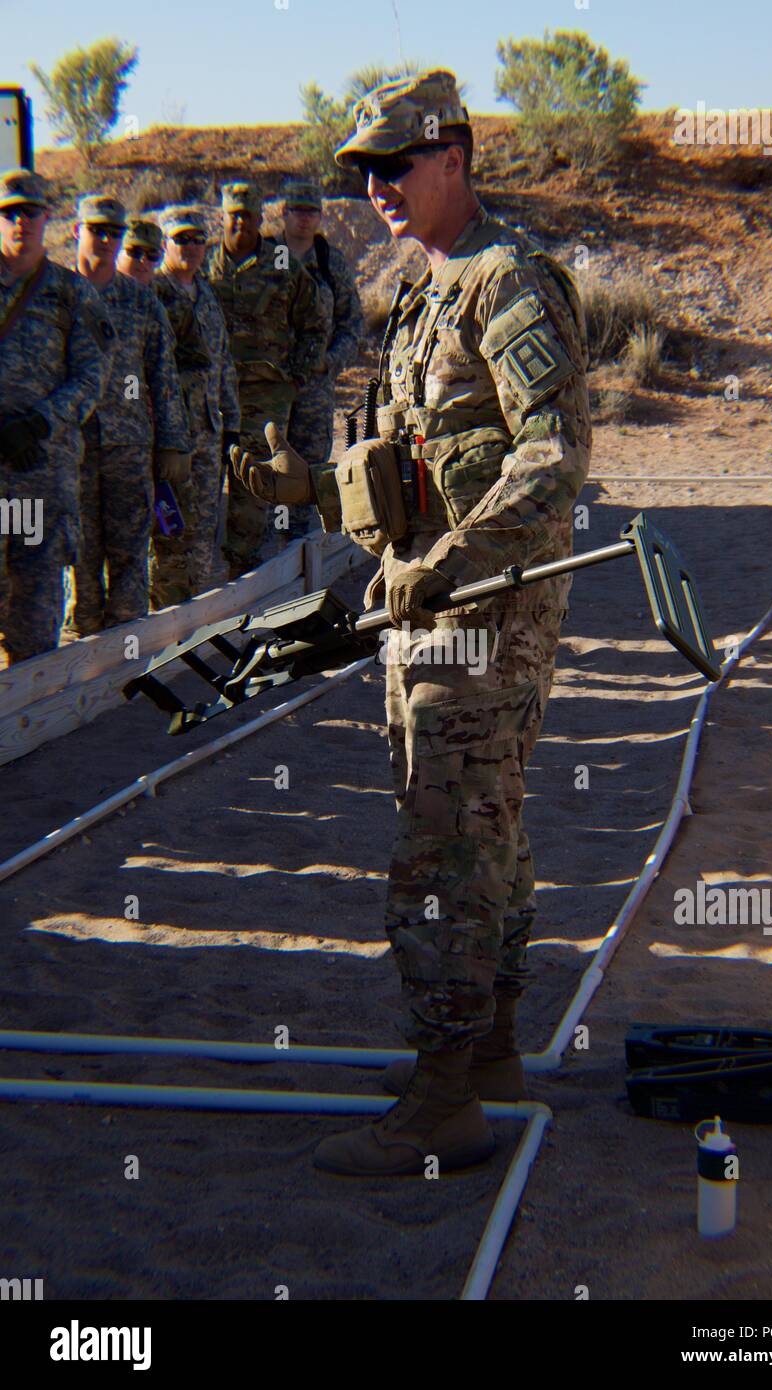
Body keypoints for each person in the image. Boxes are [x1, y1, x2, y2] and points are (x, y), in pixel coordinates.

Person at [232, 71, 592, 1176]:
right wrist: (306, 489)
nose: (376, 188)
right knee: (477, 831)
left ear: (453, 159)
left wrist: (450, 560)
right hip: (424, 608)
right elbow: (412, 463)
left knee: (443, 844)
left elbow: (550, 457)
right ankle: (482, 1057)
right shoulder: (421, 289)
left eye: (394, 166)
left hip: (482, 614)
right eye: (363, 173)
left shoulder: (506, 280)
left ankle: (442, 1100)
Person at [0, 168, 114, 664]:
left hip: (35, 476)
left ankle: (27, 721)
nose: (20, 221)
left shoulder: (71, 293)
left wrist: (41, 422)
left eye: (29, 211)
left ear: (47, 217)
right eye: (10, 213)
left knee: (32, 598)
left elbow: (94, 374)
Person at [68, 194, 190, 634]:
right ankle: (79, 662)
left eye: (112, 232)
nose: (104, 239)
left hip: (129, 449)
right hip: (71, 449)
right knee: (78, 557)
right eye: (96, 229)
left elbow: (164, 377)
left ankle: (125, 663)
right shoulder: (57, 295)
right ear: (76, 231)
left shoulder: (142, 304)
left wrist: (172, 444)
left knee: (128, 557)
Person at [205, 182, 328, 577]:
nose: (240, 222)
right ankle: (201, 585)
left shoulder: (280, 263)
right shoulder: (205, 264)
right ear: (222, 218)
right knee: (205, 492)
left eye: (248, 215)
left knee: (254, 493)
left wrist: (297, 378)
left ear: (260, 219)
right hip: (210, 399)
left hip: (265, 399)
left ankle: (247, 584)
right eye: (233, 215)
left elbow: (314, 323)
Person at [151, 206, 240, 607]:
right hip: (167, 437)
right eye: (180, 239)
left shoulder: (207, 296)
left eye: (197, 240)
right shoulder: (153, 294)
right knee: (168, 526)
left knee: (204, 525)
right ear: (164, 246)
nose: (189, 247)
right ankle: (163, 619)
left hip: (207, 431)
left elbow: (223, 364)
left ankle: (196, 613)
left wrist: (232, 423)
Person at [279, 175, 364, 539]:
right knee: (265, 461)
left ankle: (296, 546)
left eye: (311, 211)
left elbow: (353, 323)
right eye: (297, 210)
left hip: (314, 386)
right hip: (270, 384)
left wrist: (330, 363)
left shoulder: (330, 261)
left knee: (309, 466)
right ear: (284, 213)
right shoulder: (268, 255)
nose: (304, 218)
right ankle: (255, 548)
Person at [117, 217, 163, 288]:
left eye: (152, 254)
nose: (143, 260)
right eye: (135, 252)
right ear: (117, 254)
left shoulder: (164, 294)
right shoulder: (100, 289)